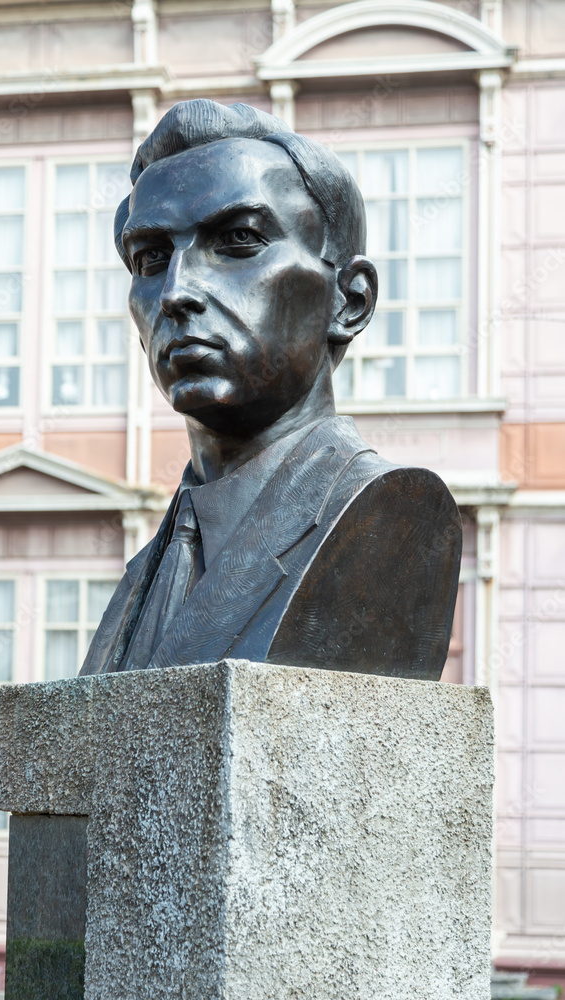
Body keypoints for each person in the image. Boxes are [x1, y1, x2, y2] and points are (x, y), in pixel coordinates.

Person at [80, 100, 461, 681]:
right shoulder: (143, 574)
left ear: (349, 301)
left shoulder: (391, 520)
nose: (176, 292)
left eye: (238, 240)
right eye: (151, 258)